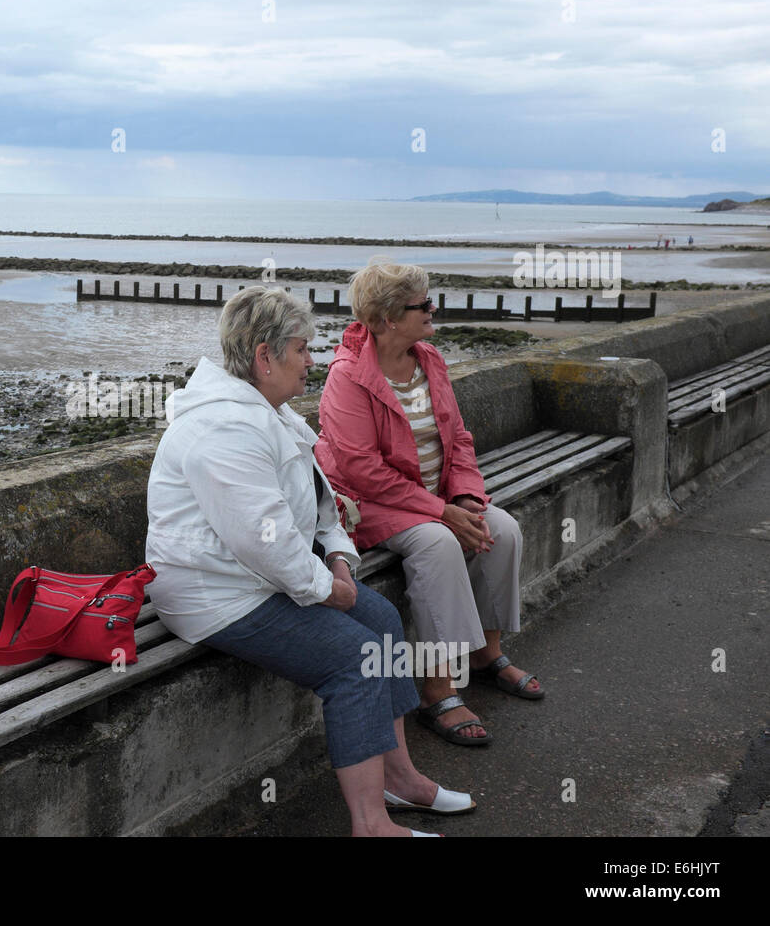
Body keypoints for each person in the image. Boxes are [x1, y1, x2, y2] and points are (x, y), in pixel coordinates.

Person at [145, 285, 472, 836]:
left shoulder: (272, 416)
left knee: (384, 625)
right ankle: (370, 825)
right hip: (214, 594)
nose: (311, 360)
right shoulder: (223, 427)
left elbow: (322, 508)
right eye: (301, 348)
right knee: (356, 660)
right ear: (264, 357)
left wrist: (340, 558)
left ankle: (401, 778)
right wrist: (327, 590)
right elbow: (263, 537)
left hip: (260, 579)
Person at [316, 261, 544, 748]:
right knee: (439, 544)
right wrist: (441, 512)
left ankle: (486, 654)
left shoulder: (430, 360)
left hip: (433, 495)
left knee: (499, 528)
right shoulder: (347, 378)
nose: (433, 310)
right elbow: (362, 472)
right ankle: (437, 689)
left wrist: (464, 496)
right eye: (424, 305)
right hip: (369, 504)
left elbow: (458, 438)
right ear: (390, 317)